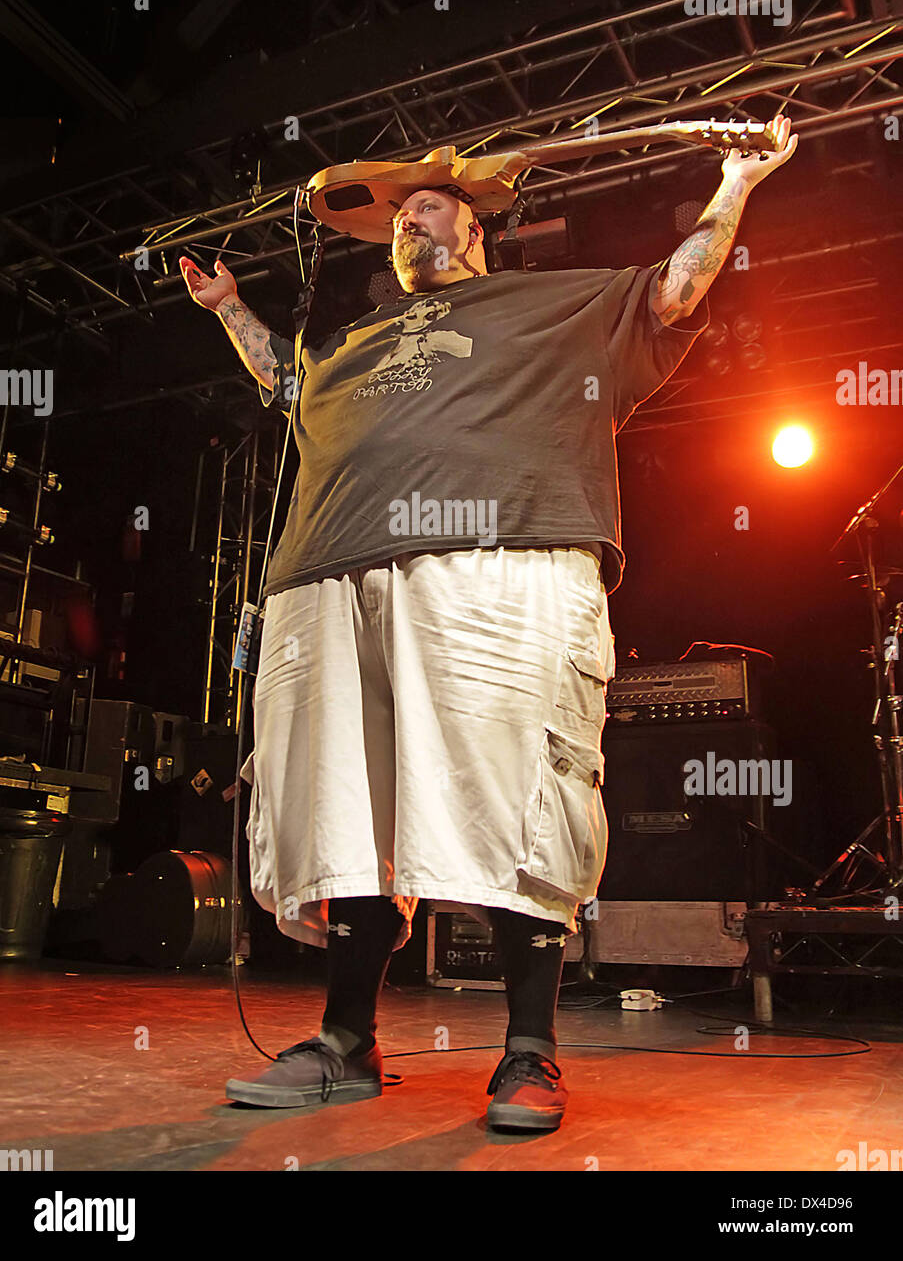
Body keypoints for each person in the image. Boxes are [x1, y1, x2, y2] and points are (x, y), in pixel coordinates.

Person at [180, 114, 797, 1133]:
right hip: (328, 578)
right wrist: (230, 309)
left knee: (520, 796)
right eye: (397, 217)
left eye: (426, 206)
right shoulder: (349, 342)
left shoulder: (556, 302)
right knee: (351, 813)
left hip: (505, 561)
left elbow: (674, 291)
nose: (406, 222)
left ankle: (528, 1049)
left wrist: (735, 183)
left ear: (476, 229)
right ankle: (345, 1042)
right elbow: (284, 381)